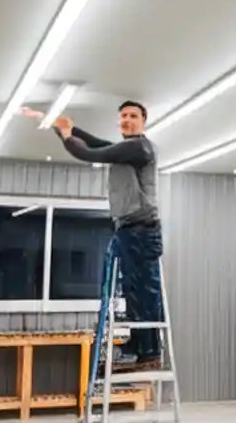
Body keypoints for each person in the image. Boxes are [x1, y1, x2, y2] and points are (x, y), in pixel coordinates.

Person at [20, 101, 163, 370]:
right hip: (128, 227)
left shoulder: (138, 147)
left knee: (143, 291)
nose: (127, 120)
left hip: (141, 229)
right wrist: (60, 123)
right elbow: (96, 143)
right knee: (131, 291)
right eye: (123, 116)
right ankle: (138, 347)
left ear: (144, 121)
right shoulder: (126, 149)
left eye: (133, 116)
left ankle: (149, 351)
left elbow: (88, 153)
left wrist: (65, 133)